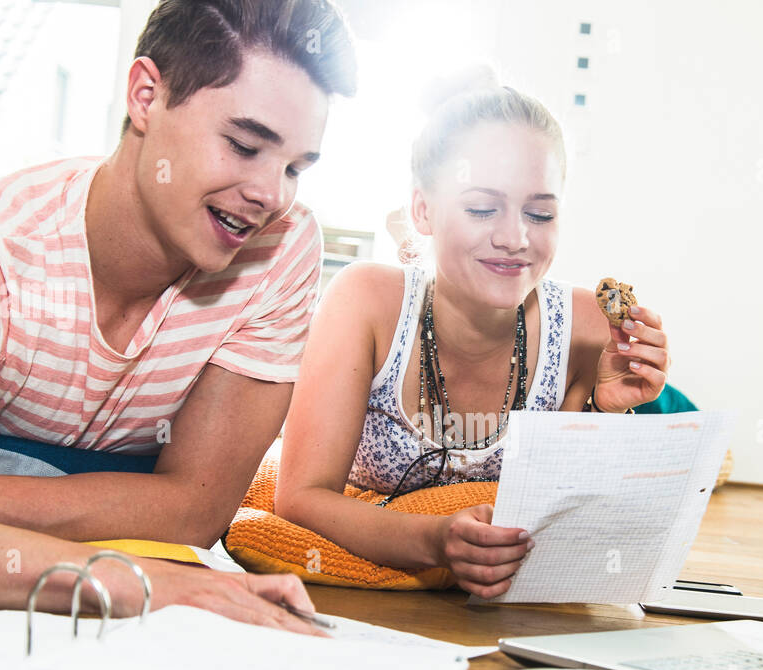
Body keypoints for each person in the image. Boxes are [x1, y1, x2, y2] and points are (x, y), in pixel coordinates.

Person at [0, 0, 357, 633]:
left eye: (295, 167)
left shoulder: (283, 251)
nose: (272, 195)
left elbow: (196, 511)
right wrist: (122, 580)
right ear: (146, 96)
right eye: (243, 145)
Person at [275, 72, 672, 599]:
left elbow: (579, 527)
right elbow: (300, 497)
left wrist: (608, 409)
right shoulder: (365, 301)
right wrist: (435, 540)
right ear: (422, 210)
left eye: (540, 213)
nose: (514, 238)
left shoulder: (588, 329)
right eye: (482, 208)